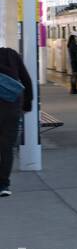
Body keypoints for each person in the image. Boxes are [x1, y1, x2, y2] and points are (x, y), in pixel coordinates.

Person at [0, 46, 34, 198]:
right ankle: (4, 185)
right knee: (7, 148)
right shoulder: (11, 54)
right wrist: (27, 104)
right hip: (11, 107)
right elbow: (26, 80)